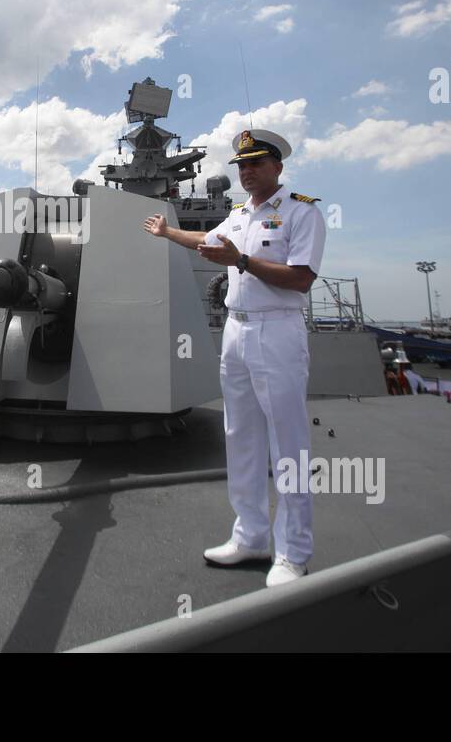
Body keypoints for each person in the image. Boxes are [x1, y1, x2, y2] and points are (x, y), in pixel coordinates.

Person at [143, 128, 325, 586]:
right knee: (240, 436)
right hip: (236, 331)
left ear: (277, 167)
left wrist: (240, 261)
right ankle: (249, 536)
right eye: (241, 165)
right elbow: (208, 241)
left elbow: (301, 278)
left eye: (255, 164)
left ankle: (294, 552)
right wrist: (167, 232)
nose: (246, 172)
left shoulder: (302, 213)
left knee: (288, 442)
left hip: (277, 330)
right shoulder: (240, 215)